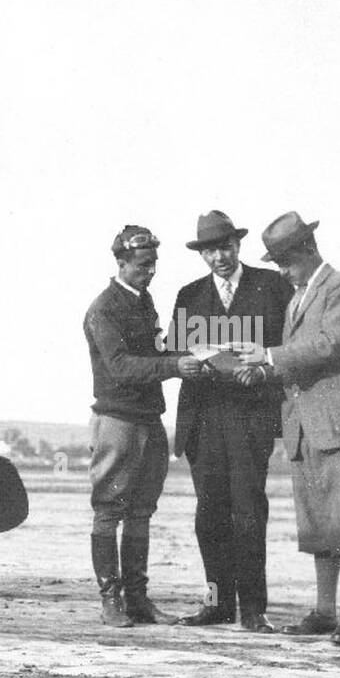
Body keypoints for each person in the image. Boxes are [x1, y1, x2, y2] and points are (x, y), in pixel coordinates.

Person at [235, 212, 340, 646]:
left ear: (306, 251)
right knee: (318, 522)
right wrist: (261, 371)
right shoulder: (296, 298)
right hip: (307, 428)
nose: (281, 270)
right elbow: (294, 360)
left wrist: (268, 356)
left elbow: (328, 345)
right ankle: (323, 611)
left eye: (284, 261)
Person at [170, 211, 294, 632]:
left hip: (251, 417)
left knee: (248, 511)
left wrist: (262, 369)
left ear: (238, 246)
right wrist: (193, 364)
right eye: (210, 250)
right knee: (209, 516)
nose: (219, 257)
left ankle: (254, 610)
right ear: (201, 254)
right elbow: (176, 353)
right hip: (202, 419)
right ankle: (217, 604)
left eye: (226, 247)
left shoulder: (272, 286)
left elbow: (287, 348)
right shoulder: (188, 296)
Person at [83, 225, 203, 627]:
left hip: (149, 422)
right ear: (120, 263)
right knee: (108, 510)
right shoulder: (104, 309)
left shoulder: (142, 301)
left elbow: (152, 352)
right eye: (141, 265)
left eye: (153, 264)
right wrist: (174, 365)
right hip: (117, 421)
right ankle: (110, 602)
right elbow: (119, 367)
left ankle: (137, 600)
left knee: (141, 512)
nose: (149, 271)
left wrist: (190, 352)